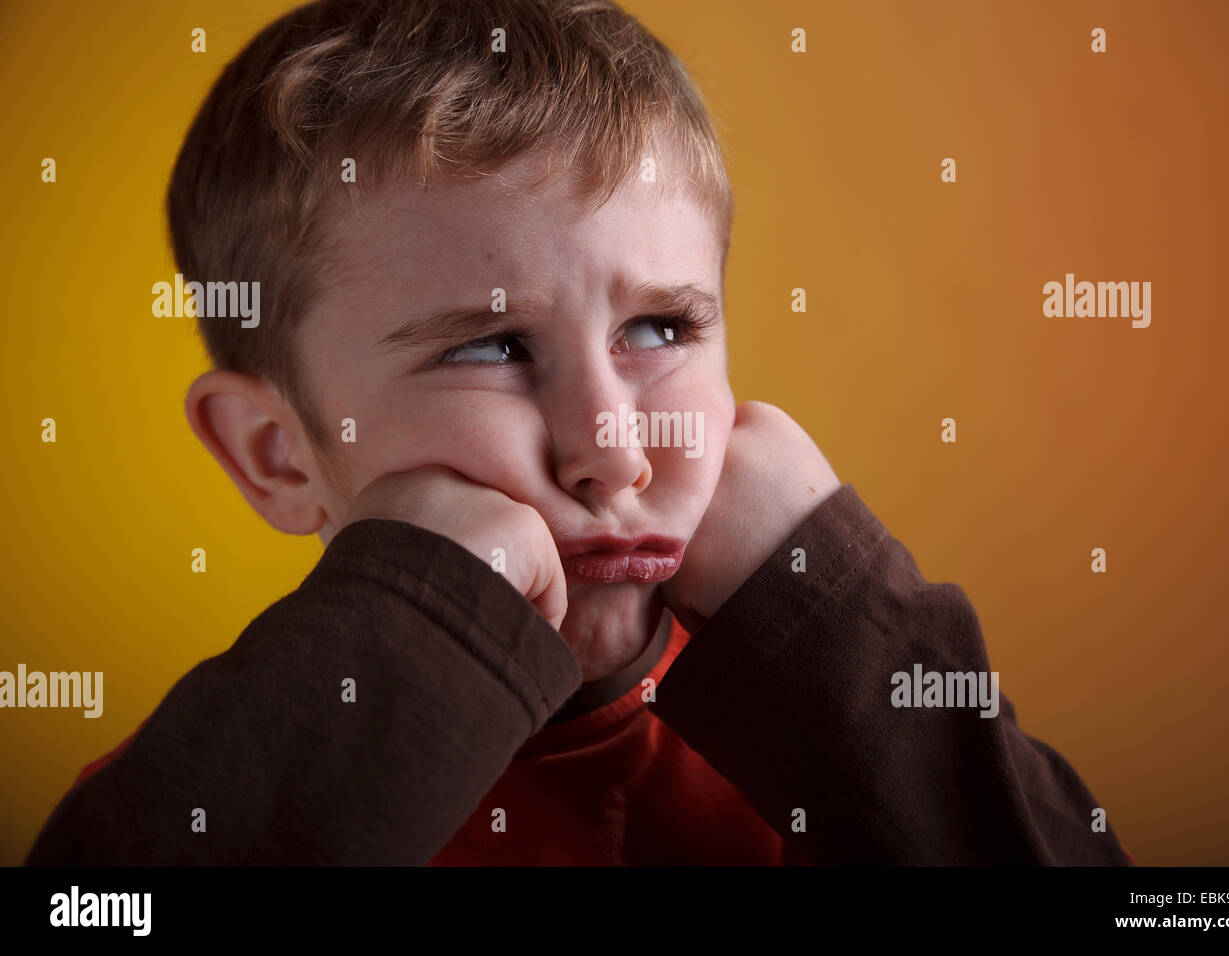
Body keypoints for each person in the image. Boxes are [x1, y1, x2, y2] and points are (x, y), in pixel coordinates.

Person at [25, 0, 1132, 866]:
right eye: (491, 347)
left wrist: (831, 610)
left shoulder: (845, 711)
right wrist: (417, 618)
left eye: (662, 325)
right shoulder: (189, 797)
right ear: (277, 452)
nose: (611, 448)